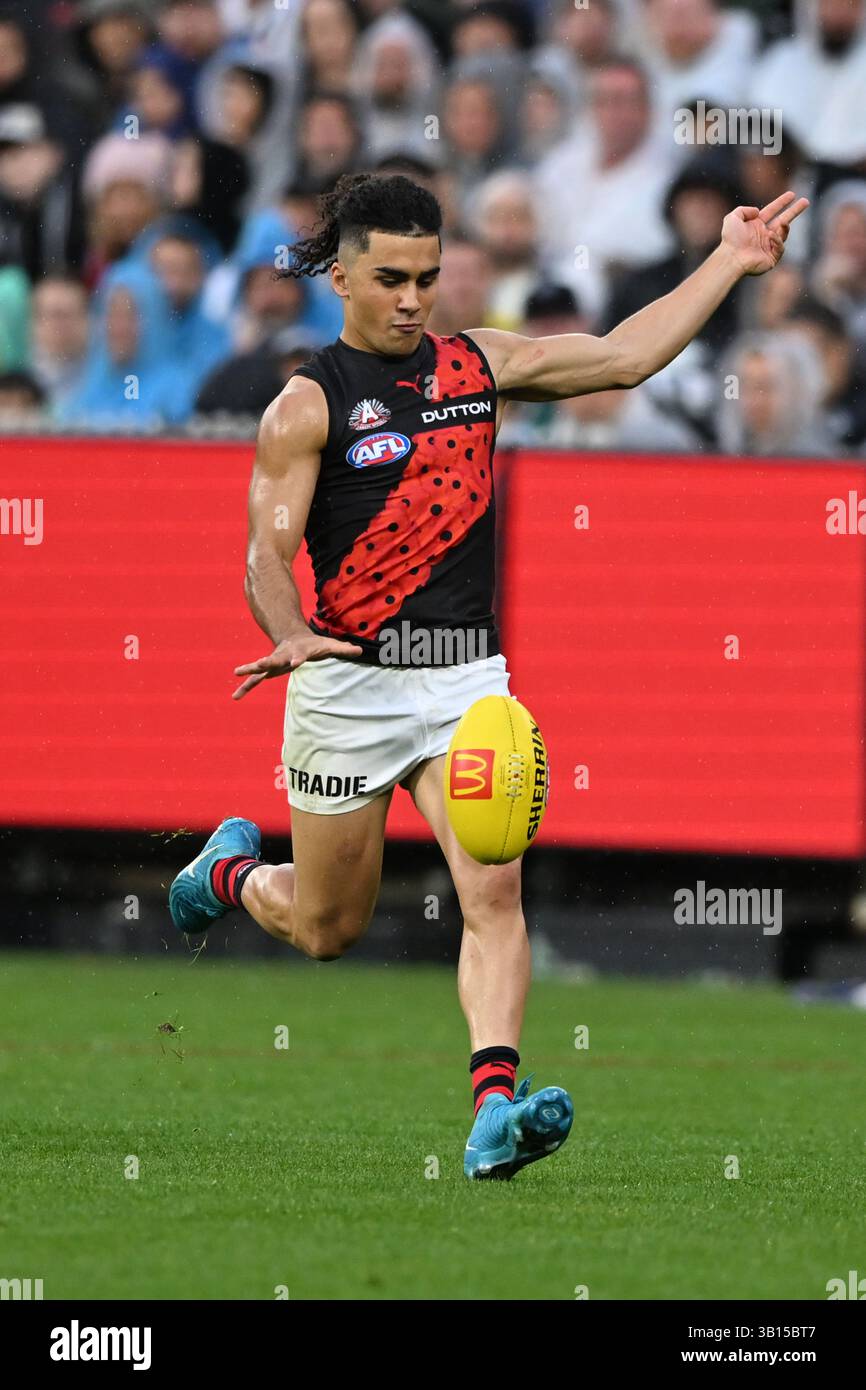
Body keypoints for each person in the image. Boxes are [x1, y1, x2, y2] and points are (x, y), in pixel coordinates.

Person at [168, 171, 808, 1180]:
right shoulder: (304, 404)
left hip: (466, 682)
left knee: (494, 888)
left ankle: (493, 1110)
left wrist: (727, 260)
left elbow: (623, 357)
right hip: (347, 683)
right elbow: (264, 553)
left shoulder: (475, 367)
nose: (414, 299)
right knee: (328, 927)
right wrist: (288, 631)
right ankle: (230, 873)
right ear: (339, 276)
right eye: (389, 278)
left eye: (426, 277)